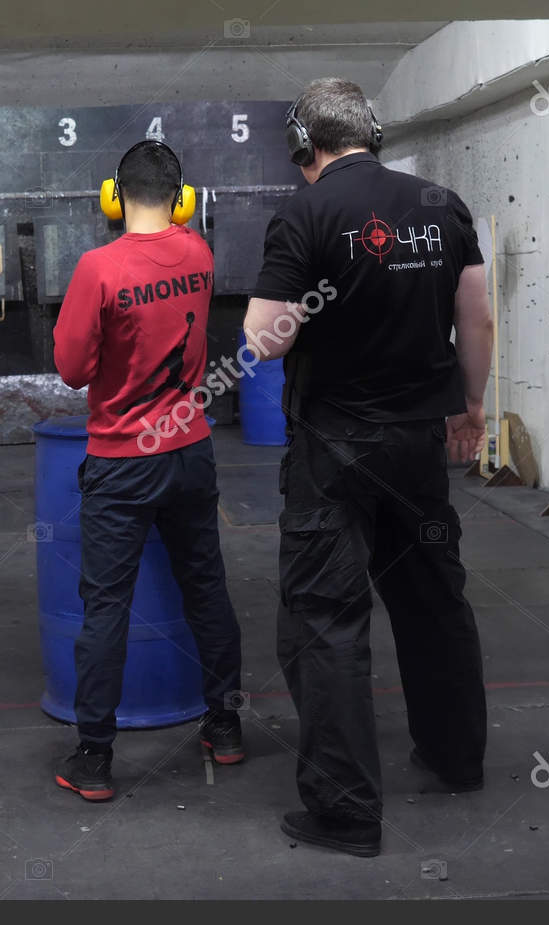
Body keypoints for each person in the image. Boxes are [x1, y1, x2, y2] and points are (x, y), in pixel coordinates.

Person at [244, 79, 495, 857]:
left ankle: (347, 815)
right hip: (418, 442)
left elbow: (265, 339)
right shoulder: (441, 205)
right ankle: (456, 759)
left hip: (335, 450)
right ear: (372, 133)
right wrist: (471, 404)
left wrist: (308, 305)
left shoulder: (305, 213)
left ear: (304, 146)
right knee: (432, 601)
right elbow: (477, 315)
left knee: (326, 624)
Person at [51, 139, 245, 802]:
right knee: (208, 589)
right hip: (190, 450)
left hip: (122, 461)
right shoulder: (198, 253)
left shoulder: (96, 268)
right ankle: (225, 725)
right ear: (182, 199)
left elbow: (73, 370)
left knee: (106, 606)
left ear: (114, 196)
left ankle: (95, 757)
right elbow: (175, 247)